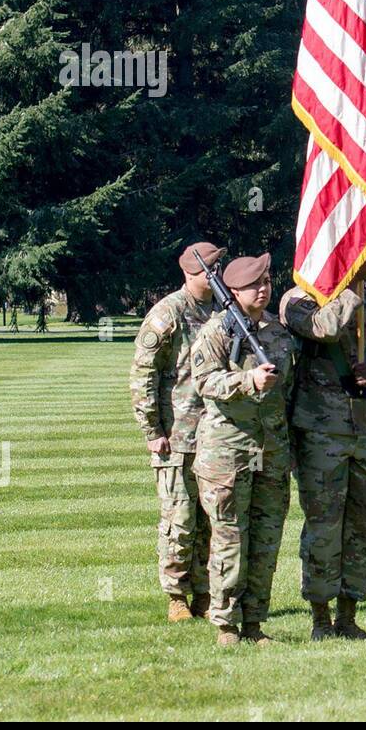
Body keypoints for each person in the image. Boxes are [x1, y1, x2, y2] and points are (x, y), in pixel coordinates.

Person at [280, 261, 366, 641]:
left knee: (365, 526)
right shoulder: (299, 300)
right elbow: (325, 328)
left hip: (365, 429)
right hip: (319, 429)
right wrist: (351, 289)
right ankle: (320, 619)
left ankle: (349, 616)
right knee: (324, 526)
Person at [191, 253, 298, 647]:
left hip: (270, 450)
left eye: (267, 281)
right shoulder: (216, 332)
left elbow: (292, 388)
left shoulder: (278, 334)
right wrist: (248, 380)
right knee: (230, 539)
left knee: (267, 540)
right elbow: (205, 382)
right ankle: (226, 624)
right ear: (234, 292)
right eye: (255, 284)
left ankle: (255, 621)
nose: (264, 289)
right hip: (228, 452)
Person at [129, 240, 223, 622]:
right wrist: (152, 430)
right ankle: (176, 595)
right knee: (179, 519)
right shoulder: (169, 312)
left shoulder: (222, 310)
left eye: (217, 270)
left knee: (210, 519)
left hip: (216, 435)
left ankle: (204, 592)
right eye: (207, 272)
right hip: (177, 435)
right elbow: (142, 374)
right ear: (189, 274)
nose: (213, 277)